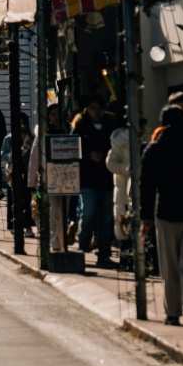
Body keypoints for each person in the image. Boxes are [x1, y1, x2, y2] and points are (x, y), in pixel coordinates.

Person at [140, 105, 183, 327]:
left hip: (165, 212)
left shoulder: (155, 150)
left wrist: (145, 218)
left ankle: (173, 313)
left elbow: (146, 186)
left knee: (171, 267)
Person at [73, 98, 115, 266]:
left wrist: (105, 155)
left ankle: (104, 253)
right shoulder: (81, 127)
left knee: (106, 217)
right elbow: (73, 150)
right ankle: (82, 246)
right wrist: (88, 155)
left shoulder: (110, 125)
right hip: (87, 178)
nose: (96, 111)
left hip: (106, 177)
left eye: (99, 108)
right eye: (92, 108)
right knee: (89, 212)